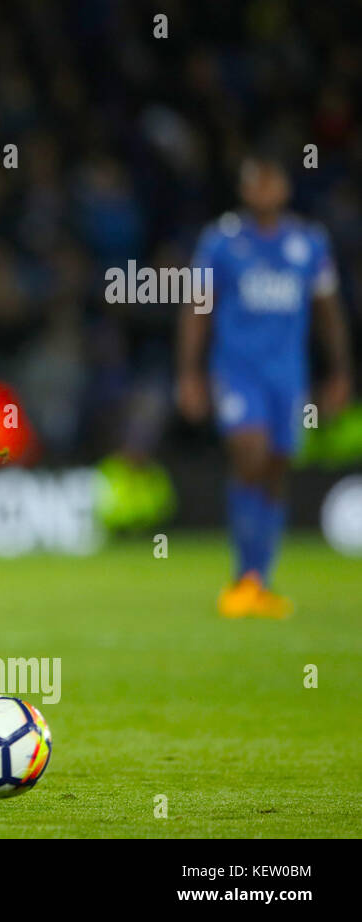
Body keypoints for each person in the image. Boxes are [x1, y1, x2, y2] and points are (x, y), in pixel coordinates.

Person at [176, 154, 353, 618]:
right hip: (237, 371)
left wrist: (339, 372)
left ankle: (260, 578)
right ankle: (243, 578)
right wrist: (190, 373)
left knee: (275, 468)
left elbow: (329, 311)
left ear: (284, 188)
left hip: (286, 375)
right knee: (250, 454)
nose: (262, 191)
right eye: (254, 183)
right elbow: (198, 308)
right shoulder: (222, 242)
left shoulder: (308, 243)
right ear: (244, 190)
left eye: (270, 182)